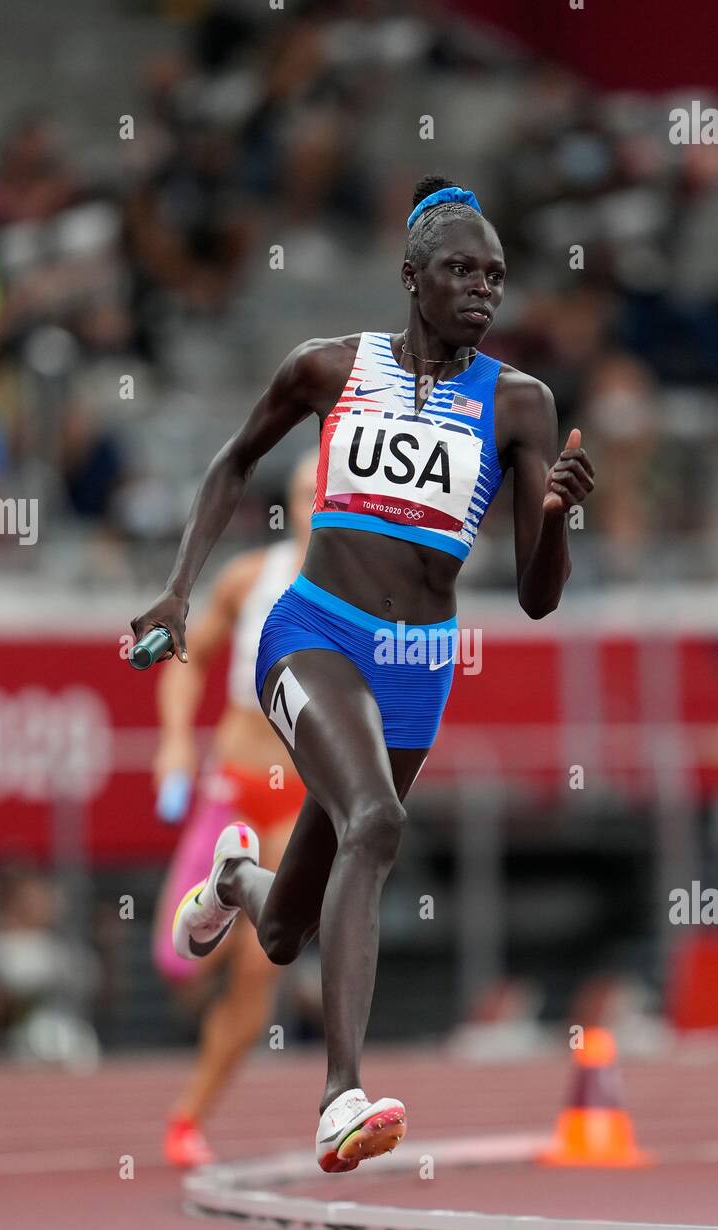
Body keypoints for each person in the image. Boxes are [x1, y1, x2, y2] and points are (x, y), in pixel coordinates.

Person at [131, 175, 594, 1173]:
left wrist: (554, 516)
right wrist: (176, 592)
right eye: (460, 271)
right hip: (314, 633)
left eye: (496, 276)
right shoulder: (328, 369)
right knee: (375, 823)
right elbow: (230, 462)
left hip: (418, 665)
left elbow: (536, 595)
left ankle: (233, 879)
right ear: (410, 278)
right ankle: (340, 1092)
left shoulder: (518, 403)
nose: (480, 289)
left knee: (288, 927)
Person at [152, 450, 315, 1166]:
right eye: (310, 492)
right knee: (178, 961)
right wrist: (175, 743)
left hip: (300, 800)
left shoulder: (374, 597)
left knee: (259, 966)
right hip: (232, 785)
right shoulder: (252, 578)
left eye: (333, 491)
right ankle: (211, 915)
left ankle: (188, 1119)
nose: (321, 504)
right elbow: (184, 654)